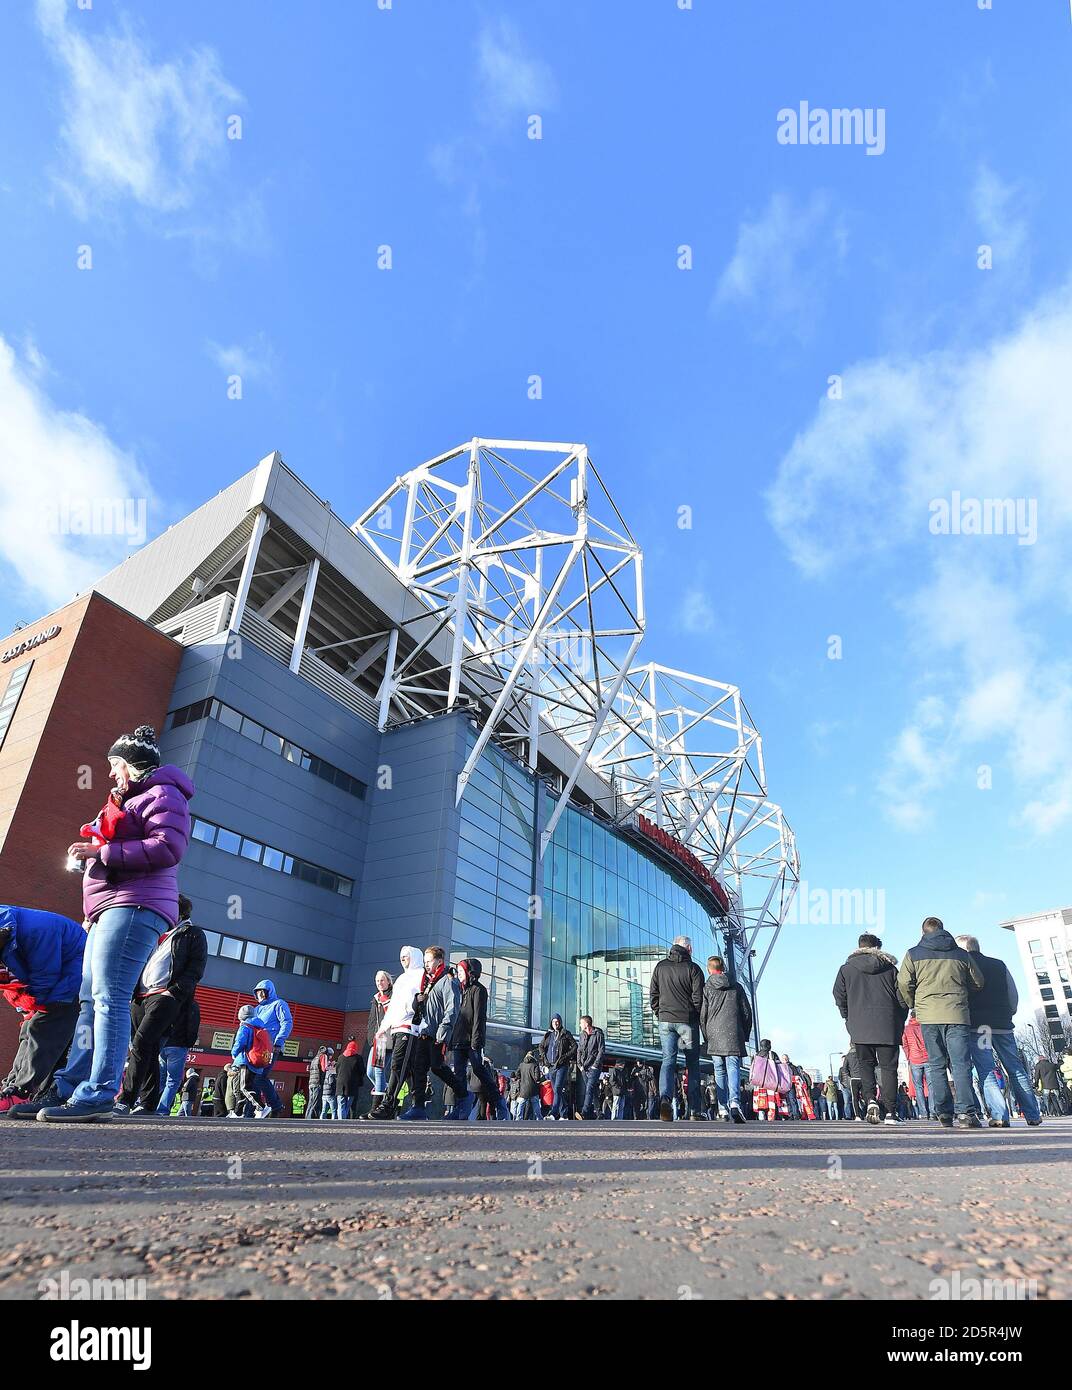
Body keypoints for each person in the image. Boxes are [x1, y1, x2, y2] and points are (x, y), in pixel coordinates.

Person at [15, 725, 194, 1123]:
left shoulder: (163, 794)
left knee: (108, 997)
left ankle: (97, 1093)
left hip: (135, 904)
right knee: (89, 1000)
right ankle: (67, 1090)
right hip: (108, 908)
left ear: (133, 765)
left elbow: (168, 847)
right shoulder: (128, 799)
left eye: (115, 766)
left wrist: (103, 851)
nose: (111, 774)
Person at [114, 893, 207, 1114]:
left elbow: (196, 968)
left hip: (164, 996)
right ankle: (147, 1103)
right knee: (148, 1048)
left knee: (140, 1044)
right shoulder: (157, 933)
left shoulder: (191, 933)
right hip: (140, 997)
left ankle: (125, 1100)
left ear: (179, 911)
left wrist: (173, 992)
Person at [897, 917, 984, 1129]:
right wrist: (961, 994)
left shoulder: (913, 954)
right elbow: (978, 982)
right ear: (944, 930)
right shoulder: (961, 954)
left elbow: (903, 982)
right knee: (960, 1064)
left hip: (928, 1016)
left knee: (936, 1065)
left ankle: (944, 1114)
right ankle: (965, 1113)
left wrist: (915, 1004)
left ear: (923, 932)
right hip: (957, 1015)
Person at [0, 906, 86, 1114]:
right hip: (56, 977)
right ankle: (12, 1087)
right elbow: (13, 981)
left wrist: (35, 1004)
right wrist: (25, 1006)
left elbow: (46, 974)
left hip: (74, 976)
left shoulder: (36, 930)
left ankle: (20, 1090)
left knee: (42, 1028)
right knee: (29, 1028)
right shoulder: (8, 934)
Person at [954, 933, 1042, 1129]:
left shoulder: (962, 966)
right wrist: (1009, 1013)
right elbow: (1013, 993)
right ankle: (1033, 1114)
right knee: (1015, 1068)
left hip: (980, 1027)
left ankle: (1000, 1115)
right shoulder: (999, 964)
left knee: (986, 1068)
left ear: (963, 949)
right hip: (1003, 1024)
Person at [833, 933, 908, 1126]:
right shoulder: (891, 969)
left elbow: (838, 996)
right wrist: (899, 1019)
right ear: (878, 948)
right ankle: (891, 1112)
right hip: (888, 1025)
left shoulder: (846, 970)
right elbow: (902, 998)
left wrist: (848, 1017)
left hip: (859, 1026)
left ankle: (870, 1101)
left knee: (865, 1066)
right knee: (889, 1068)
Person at [398, 946, 460, 1121]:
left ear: (439, 961)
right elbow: (421, 1008)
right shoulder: (428, 982)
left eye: (429, 961)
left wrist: (443, 1033)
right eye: (424, 961)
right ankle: (417, 1107)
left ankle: (463, 1095)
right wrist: (416, 1002)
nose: (426, 964)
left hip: (436, 1034)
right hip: (423, 1032)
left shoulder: (448, 980)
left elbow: (452, 1009)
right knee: (418, 1069)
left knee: (437, 1067)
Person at [365, 946, 424, 1121]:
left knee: (397, 1066)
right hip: (397, 1027)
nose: (403, 959)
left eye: (406, 956)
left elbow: (420, 1000)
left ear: (414, 957)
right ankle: (414, 1107)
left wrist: (415, 1017)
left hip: (410, 1028)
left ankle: (388, 1105)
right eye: (401, 957)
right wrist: (383, 1028)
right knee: (408, 1070)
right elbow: (393, 1008)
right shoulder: (401, 980)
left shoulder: (420, 975)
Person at [650, 935, 705, 1122]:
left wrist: (660, 1013)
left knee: (668, 1061)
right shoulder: (694, 969)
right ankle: (694, 1110)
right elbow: (699, 999)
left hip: (665, 1020)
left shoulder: (660, 967)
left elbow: (653, 994)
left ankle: (665, 1099)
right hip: (686, 1022)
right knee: (692, 1064)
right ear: (688, 949)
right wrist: (695, 1017)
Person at [448, 958, 506, 1121]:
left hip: (472, 1041)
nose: (458, 975)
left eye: (461, 972)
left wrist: (476, 1043)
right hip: (459, 1039)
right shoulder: (460, 991)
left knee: (480, 1070)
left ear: (469, 972)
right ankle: (460, 1108)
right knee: (458, 1075)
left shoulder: (478, 990)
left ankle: (500, 1103)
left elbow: (478, 1018)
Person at [699, 954, 752, 1124]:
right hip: (733, 1032)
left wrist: (706, 1035)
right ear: (723, 968)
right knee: (733, 1067)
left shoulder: (707, 988)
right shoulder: (736, 986)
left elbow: (703, 1014)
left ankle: (722, 1108)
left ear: (710, 969)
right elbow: (746, 1012)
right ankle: (735, 1102)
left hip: (714, 1032)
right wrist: (744, 1032)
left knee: (719, 1069)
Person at [155, 994, 201, 1115]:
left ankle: (153, 1106)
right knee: (173, 1081)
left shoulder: (167, 1001)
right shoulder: (192, 1005)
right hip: (179, 1045)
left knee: (161, 1079)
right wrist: (189, 1043)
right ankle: (162, 1110)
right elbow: (193, 1026)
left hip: (163, 1043)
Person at [230, 1004, 274, 1118]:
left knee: (244, 1087)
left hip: (246, 1060)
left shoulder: (245, 1026)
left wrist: (234, 1054)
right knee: (245, 1087)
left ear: (241, 1016)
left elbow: (240, 1042)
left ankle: (261, 1107)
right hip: (257, 1061)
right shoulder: (260, 1027)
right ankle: (238, 1112)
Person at [539, 1013, 577, 1120]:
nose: (555, 1023)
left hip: (561, 1066)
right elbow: (541, 1047)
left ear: (560, 1022)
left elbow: (575, 1046)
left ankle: (553, 1113)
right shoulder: (548, 1035)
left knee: (558, 1088)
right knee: (557, 1091)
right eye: (553, 1021)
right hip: (551, 1066)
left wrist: (565, 1057)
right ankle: (564, 1114)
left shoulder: (565, 1034)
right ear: (551, 1023)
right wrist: (544, 1059)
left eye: (557, 1021)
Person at [364, 971, 393, 1106]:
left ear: (388, 981)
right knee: (370, 1072)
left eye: (382, 980)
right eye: (377, 981)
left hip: (386, 1038)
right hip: (376, 1039)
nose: (379, 983)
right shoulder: (375, 999)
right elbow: (372, 1021)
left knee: (378, 1069)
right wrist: (370, 1036)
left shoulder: (392, 996)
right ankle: (386, 1091)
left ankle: (379, 1103)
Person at [577, 1015, 606, 1119]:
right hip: (584, 1067)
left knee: (589, 1089)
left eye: (581, 1023)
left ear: (586, 1024)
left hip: (594, 1067)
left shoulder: (598, 1034)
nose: (580, 1024)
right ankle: (599, 1113)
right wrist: (579, 1064)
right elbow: (579, 1050)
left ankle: (583, 1113)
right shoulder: (582, 1035)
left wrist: (595, 1065)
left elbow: (601, 1050)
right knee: (592, 1091)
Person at [748, 1040, 785, 1121]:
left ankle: (761, 1117)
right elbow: (779, 1067)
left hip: (758, 1082)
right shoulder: (772, 1054)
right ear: (768, 1045)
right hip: (770, 1081)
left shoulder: (755, 1055)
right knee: (771, 1100)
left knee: (760, 1099)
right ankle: (771, 1117)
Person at [901, 1014, 930, 1118]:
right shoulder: (925, 1027)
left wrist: (908, 1057)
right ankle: (934, 1112)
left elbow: (905, 1045)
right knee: (931, 1086)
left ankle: (924, 1113)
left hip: (914, 1060)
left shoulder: (906, 1029)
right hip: (928, 1058)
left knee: (918, 1087)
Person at [335, 1040, 363, 1118]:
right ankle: (344, 1120)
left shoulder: (340, 1057)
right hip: (352, 1085)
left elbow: (337, 1070)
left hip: (340, 1084)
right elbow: (362, 1071)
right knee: (348, 1104)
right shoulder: (358, 1058)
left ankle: (340, 1120)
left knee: (341, 1104)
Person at [516, 1048, 544, 1119]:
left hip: (523, 1089)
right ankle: (539, 1118)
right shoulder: (535, 1065)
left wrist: (521, 1078)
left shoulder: (521, 1065)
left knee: (521, 1104)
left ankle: (518, 1118)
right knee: (536, 1104)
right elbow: (537, 1078)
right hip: (533, 1089)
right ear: (533, 1056)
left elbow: (517, 1074)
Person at [306, 1046, 330, 1120]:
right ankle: (312, 1118)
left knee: (311, 1101)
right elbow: (324, 1068)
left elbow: (309, 1069)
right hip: (317, 1082)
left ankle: (307, 1117)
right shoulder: (323, 1056)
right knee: (316, 1102)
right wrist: (330, 1066)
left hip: (311, 1082)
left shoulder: (315, 1058)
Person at [320, 1052, 338, 1119]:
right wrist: (336, 1081)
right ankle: (333, 1123)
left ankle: (320, 1122)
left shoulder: (326, 1072)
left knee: (324, 1111)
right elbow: (331, 1082)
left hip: (324, 1094)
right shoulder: (331, 1073)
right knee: (334, 1111)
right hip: (330, 1094)